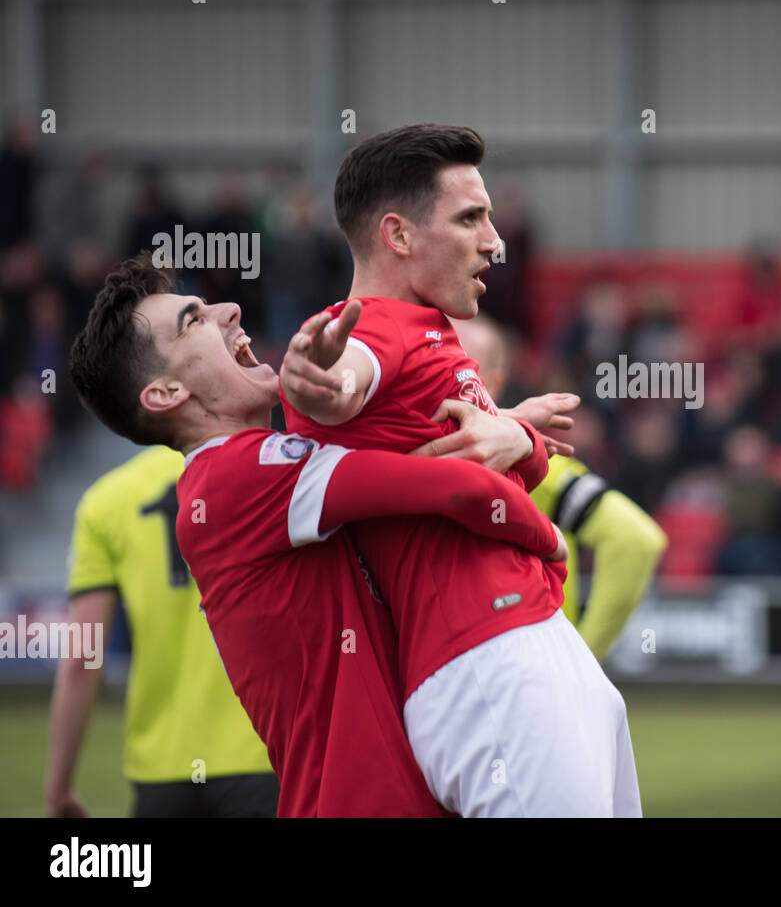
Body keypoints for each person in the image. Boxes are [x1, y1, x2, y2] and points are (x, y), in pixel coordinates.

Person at [67, 255, 566, 817]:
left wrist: (501, 423)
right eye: (194, 321)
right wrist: (550, 541)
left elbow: (413, 464)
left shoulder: (241, 479)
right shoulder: (242, 474)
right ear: (163, 394)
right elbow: (455, 488)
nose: (230, 310)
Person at [278, 123, 642, 816]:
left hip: (527, 641)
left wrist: (517, 432)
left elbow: (473, 454)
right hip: (490, 662)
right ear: (400, 235)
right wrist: (311, 378)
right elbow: (341, 377)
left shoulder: (429, 330)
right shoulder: (370, 325)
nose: (495, 240)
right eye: (471, 218)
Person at [46, 447, 277, 818]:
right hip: (265, 753)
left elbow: (81, 658)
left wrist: (58, 786)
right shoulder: (267, 471)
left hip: (162, 768)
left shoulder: (106, 499)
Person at [456, 313, 668, 661]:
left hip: (515, 685)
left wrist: (584, 660)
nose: (445, 380)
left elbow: (637, 540)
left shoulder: (533, 467)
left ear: (494, 383)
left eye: (463, 371)